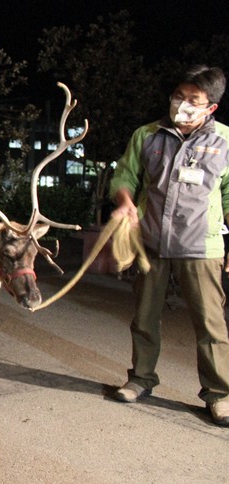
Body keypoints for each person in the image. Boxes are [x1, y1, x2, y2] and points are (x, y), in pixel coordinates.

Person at [109, 64, 229, 426]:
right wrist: (126, 200)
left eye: (194, 100)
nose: (183, 104)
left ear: (211, 107)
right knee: (145, 317)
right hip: (150, 243)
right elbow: (124, 176)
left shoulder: (224, 140)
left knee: (210, 324)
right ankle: (140, 379)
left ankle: (219, 394)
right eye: (179, 95)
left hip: (201, 247)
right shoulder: (146, 134)